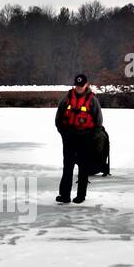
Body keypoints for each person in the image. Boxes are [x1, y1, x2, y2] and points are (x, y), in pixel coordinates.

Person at [54, 73, 102, 203]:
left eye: (81, 86)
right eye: (77, 86)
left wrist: (92, 138)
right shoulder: (67, 98)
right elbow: (59, 117)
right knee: (67, 166)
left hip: (85, 137)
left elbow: (98, 122)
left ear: (86, 85)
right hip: (69, 137)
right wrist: (63, 132)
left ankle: (81, 196)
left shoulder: (92, 100)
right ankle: (65, 196)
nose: (79, 88)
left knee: (83, 167)